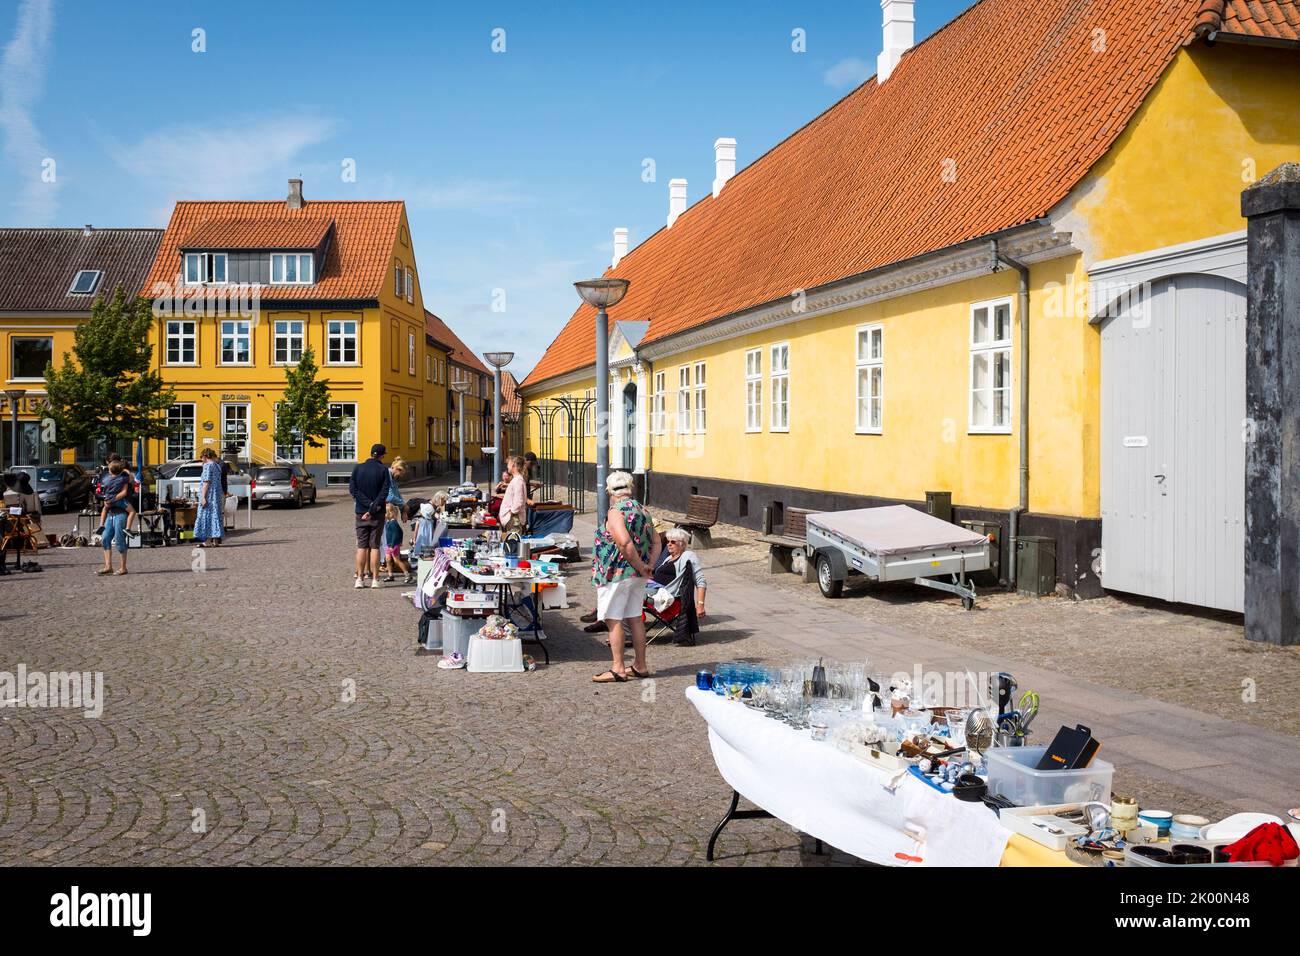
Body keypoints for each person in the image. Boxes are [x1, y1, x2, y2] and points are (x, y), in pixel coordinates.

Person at [591, 470, 660, 683]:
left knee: (614, 620)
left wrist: (640, 566)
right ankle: (640, 665)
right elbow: (657, 542)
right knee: (634, 618)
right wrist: (648, 566)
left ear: (610, 491)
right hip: (637, 576)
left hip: (616, 574)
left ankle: (618, 668)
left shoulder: (615, 512)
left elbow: (624, 542)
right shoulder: (643, 510)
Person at [651, 528, 708, 645]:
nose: (669, 544)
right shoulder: (668, 558)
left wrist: (700, 604)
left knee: (627, 595)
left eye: (673, 542)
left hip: (667, 596)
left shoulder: (687, 556)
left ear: (682, 544)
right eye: (668, 541)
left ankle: (627, 634)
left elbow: (700, 580)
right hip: (653, 590)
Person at [349, 443, 392, 589]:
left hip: (360, 512)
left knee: (362, 546)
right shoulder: (383, 470)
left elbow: (353, 490)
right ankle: (375, 579)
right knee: (375, 546)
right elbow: (385, 491)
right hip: (377, 513)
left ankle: (359, 579)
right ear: (382, 455)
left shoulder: (358, 468)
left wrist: (367, 506)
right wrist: (373, 507)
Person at [96, 459, 133, 574]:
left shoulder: (124, 478)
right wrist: (107, 501)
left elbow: (124, 492)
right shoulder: (111, 478)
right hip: (110, 513)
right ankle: (108, 566)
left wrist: (112, 499)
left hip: (120, 513)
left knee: (119, 540)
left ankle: (123, 567)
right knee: (105, 538)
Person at [192, 448, 225, 548]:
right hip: (217, 495)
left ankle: (207, 541)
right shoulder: (217, 466)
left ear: (205, 456)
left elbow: (206, 482)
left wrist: (203, 497)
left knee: (205, 516)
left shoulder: (207, 466)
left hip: (209, 495)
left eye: (201, 457)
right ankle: (215, 541)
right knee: (215, 516)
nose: (201, 459)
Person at [382, 502, 414, 584]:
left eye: (384, 513)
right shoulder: (389, 522)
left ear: (390, 513)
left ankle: (407, 575)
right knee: (388, 559)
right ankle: (390, 575)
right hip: (389, 544)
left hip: (393, 545)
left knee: (397, 560)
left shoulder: (393, 523)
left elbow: (396, 534)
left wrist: (395, 544)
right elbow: (401, 532)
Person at [498, 455, 528, 534]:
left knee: (513, 543)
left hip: (514, 520)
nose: (507, 466)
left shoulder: (518, 480)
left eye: (508, 464)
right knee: (512, 542)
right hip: (513, 519)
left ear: (513, 465)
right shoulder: (516, 480)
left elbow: (519, 501)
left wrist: (511, 513)